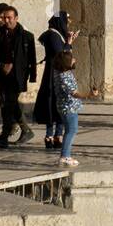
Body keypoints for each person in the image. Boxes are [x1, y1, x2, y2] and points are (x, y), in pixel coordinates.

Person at [0, 5, 37, 148]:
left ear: (16, 18)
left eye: (10, 17)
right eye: (5, 17)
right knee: (7, 104)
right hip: (1, 74)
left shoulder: (27, 36)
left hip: (17, 76)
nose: (7, 20)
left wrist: (32, 76)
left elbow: (31, 58)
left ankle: (4, 136)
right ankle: (25, 129)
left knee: (8, 104)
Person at [34, 11, 78, 151]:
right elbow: (61, 54)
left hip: (55, 73)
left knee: (58, 103)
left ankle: (58, 135)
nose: (68, 24)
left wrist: (69, 41)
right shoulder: (52, 35)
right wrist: (69, 43)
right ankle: (50, 135)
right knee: (52, 104)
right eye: (67, 21)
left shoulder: (56, 34)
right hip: (53, 75)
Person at [53, 50, 98, 167]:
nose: (74, 60)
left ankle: (65, 155)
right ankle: (65, 156)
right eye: (72, 59)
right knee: (71, 131)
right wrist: (89, 95)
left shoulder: (61, 72)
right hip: (68, 108)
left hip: (68, 107)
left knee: (70, 130)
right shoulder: (64, 77)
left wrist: (68, 43)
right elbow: (74, 93)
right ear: (66, 62)